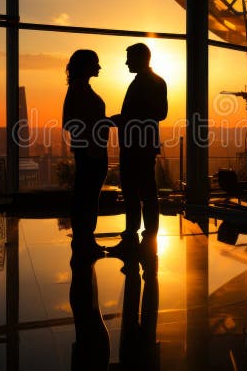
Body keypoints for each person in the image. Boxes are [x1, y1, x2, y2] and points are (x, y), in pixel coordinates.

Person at [107, 43, 168, 258]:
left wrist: (124, 120)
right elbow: (159, 113)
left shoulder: (147, 83)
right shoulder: (156, 82)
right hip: (142, 144)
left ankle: (135, 236)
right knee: (143, 191)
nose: (126, 63)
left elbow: (159, 113)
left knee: (135, 192)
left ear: (140, 59)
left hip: (136, 145)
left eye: (129, 58)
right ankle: (143, 236)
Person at [63, 50, 109, 261]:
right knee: (88, 197)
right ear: (85, 66)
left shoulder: (79, 89)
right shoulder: (79, 90)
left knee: (86, 196)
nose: (99, 68)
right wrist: (104, 124)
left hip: (90, 150)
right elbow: (72, 123)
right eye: (96, 64)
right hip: (91, 151)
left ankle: (84, 240)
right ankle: (85, 240)